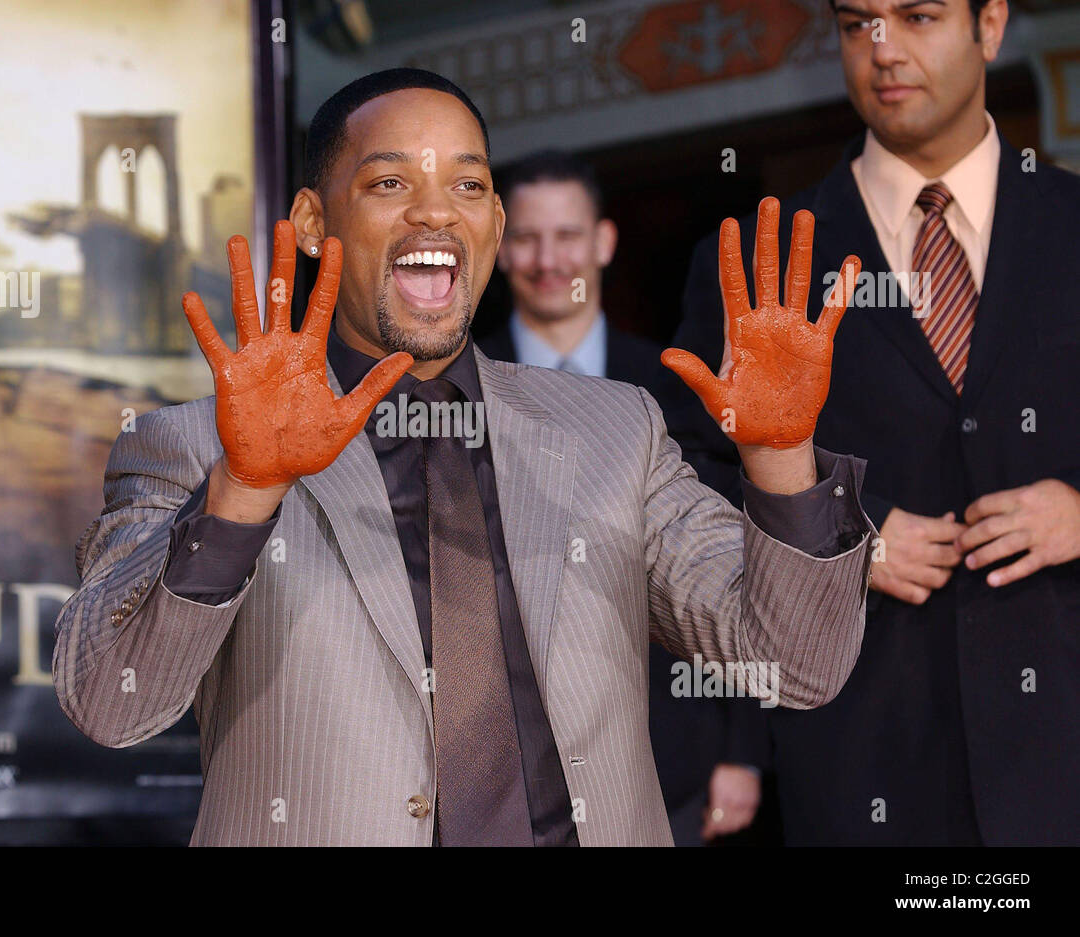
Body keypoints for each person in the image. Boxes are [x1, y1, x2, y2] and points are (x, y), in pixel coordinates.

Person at [53, 67, 875, 846]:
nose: (436, 214)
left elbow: (793, 667)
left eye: (468, 185)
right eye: (390, 183)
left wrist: (778, 457)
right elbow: (108, 704)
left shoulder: (615, 430)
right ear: (311, 222)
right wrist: (243, 488)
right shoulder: (194, 448)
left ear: (494, 226)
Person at [657, 0, 1080, 845]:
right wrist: (846, 541)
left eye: (917, 16)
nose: (883, 50)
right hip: (865, 757)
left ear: (989, 25)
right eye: (858, 24)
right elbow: (681, 473)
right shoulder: (759, 257)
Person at [476, 149, 771, 845]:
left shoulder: (674, 384)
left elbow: (735, 558)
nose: (550, 259)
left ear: (603, 242)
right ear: (497, 243)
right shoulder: (454, 389)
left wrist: (743, 749)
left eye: (568, 236)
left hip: (671, 756)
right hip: (501, 762)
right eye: (526, 236)